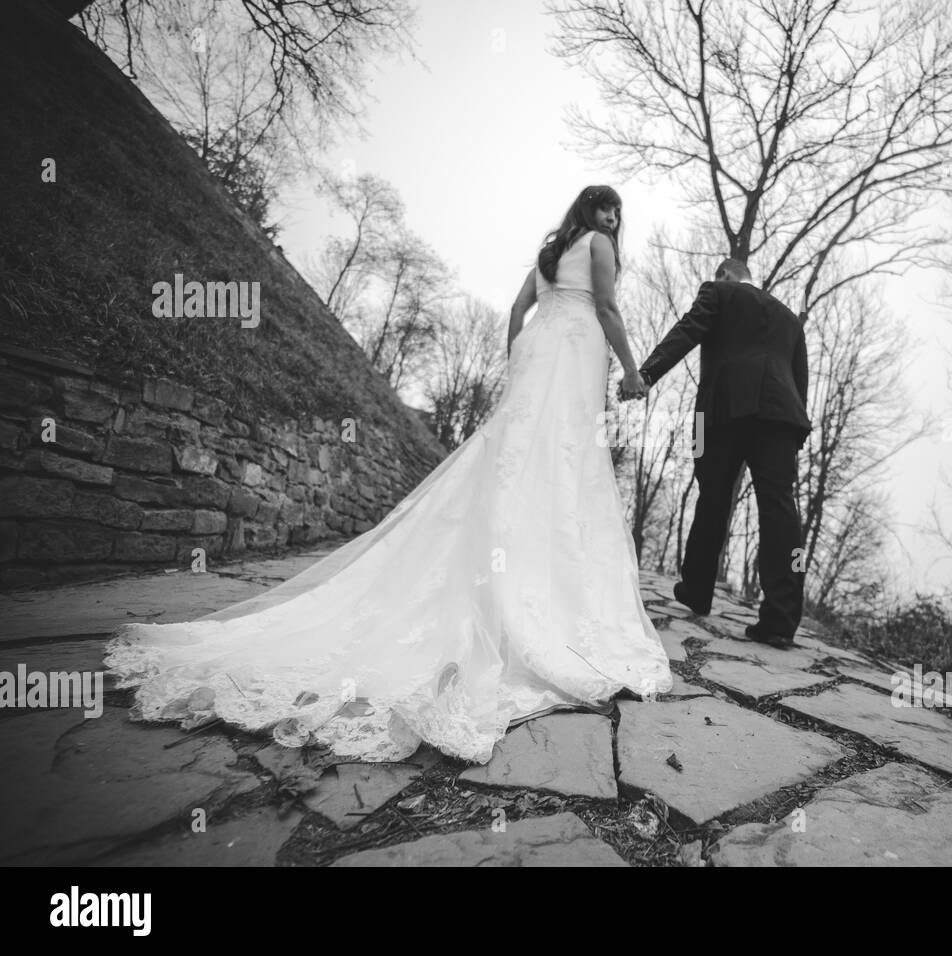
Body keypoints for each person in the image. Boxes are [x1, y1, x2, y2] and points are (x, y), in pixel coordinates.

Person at [105, 185, 672, 764]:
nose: (612, 217)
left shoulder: (551, 252)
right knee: (556, 463)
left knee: (522, 461)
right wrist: (633, 371)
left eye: (617, 211)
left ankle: (510, 569)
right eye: (606, 208)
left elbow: (516, 312)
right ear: (589, 210)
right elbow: (605, 309)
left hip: (542, 356)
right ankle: (537, 593)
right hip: (570, 357)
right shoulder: (599, 244)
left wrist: (517, 358)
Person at [628, 258, 811, 648]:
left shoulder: (717, 291)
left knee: (712, 497)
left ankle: (696, 590)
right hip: (781, 415)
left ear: (725, 275)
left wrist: (647, 373)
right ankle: (781, 618)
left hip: (721, 410)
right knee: (781, 507)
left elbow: (688, 331)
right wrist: (798, 431)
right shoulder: (790, 318)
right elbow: (800, 380)